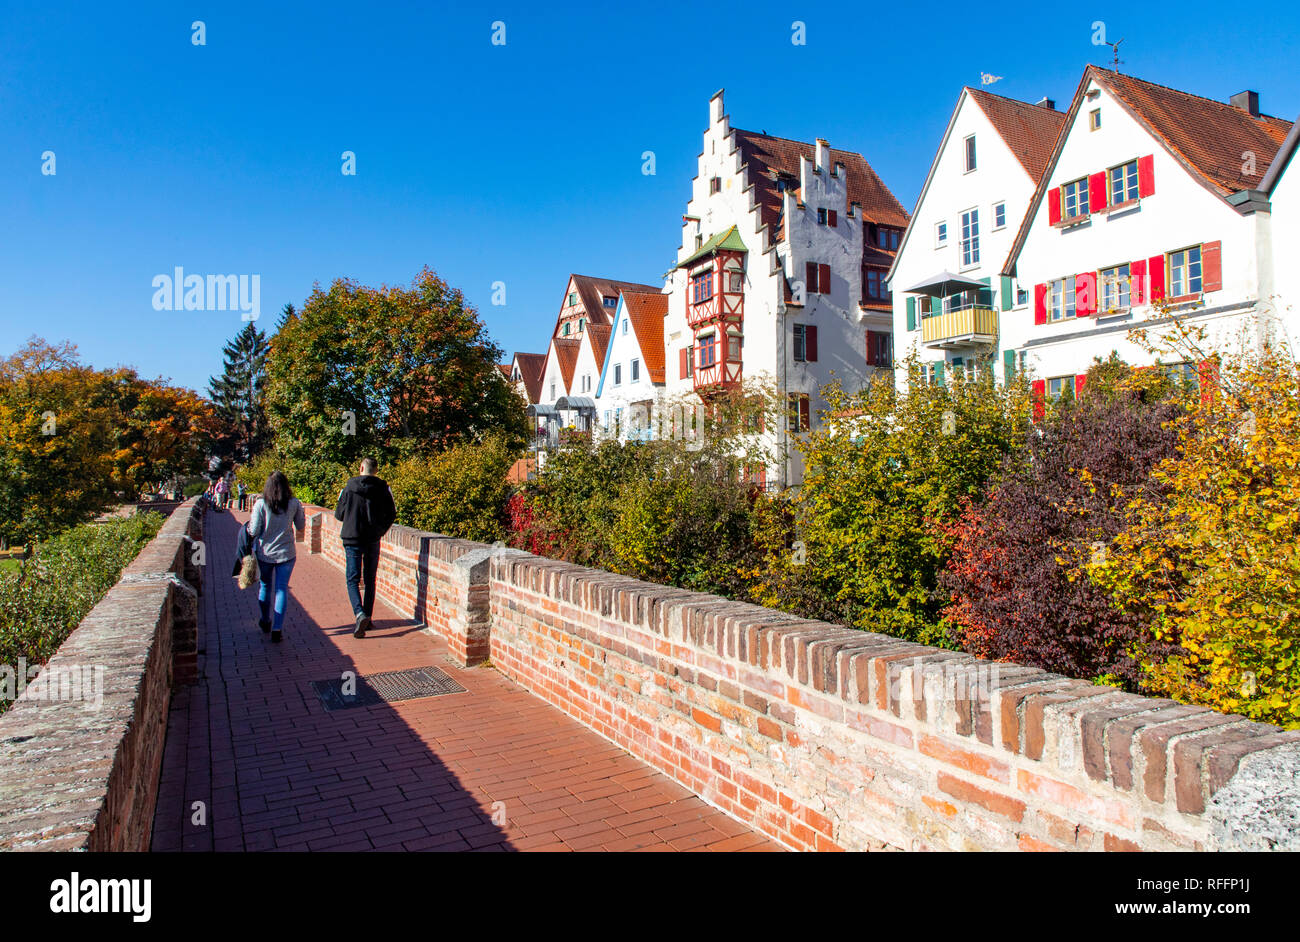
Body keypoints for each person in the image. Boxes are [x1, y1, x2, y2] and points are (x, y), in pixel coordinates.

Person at [334, 457, 396, 638]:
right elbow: (391, 513)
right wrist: (380, 530)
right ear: (376, 470)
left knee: (352, 579)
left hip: (352, 538)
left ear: (361, 467)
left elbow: (339, 515)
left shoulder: (348, 488)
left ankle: (359, 613)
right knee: (370, 579)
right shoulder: (383, 489)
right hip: (372, 538)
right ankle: (368, 617)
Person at [247, 470, 306, 643]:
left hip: (265, 552)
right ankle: (277, 629)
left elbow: (254, 530)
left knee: (265, 587)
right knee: (281, 589)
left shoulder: (261, 504)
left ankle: (265, 619)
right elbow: (301, 526)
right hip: (286, 553)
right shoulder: (294, 503)